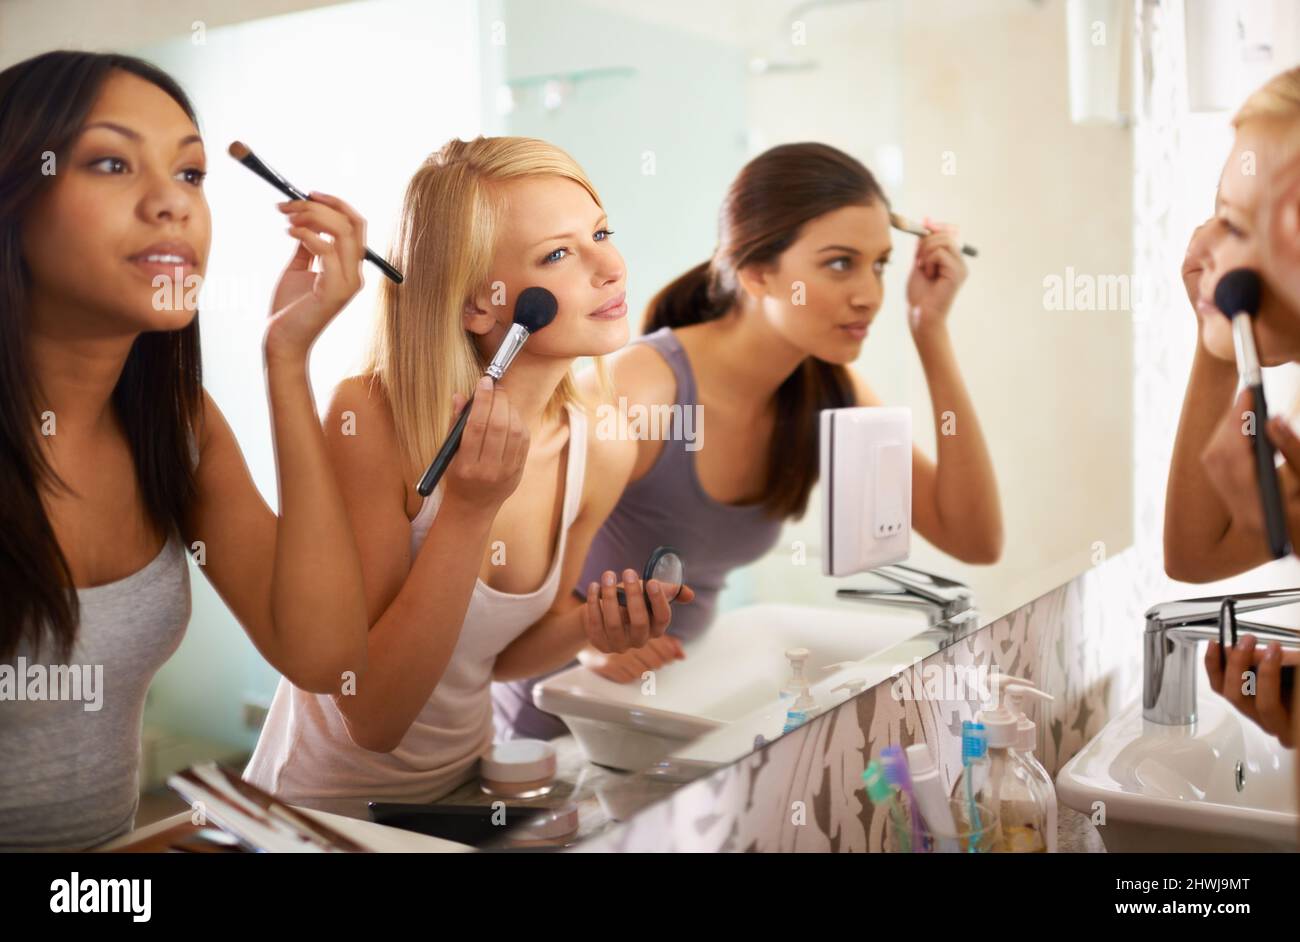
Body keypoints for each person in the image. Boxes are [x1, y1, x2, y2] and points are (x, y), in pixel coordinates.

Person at [0, 51, 372, 850]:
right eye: (110, 162)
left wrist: (288, 362)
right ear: (14, 199)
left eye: (193, 174)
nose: (172, 203)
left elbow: (324, 656)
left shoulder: (176, 423)